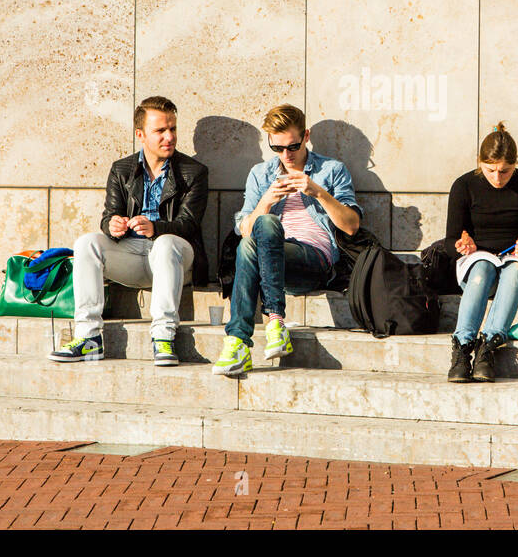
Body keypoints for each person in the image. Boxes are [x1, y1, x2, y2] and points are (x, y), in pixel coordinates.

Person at [50, 96, 210, 365]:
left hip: (177, 257)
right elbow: (108, 215)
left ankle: (163, 337)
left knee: (166, 243)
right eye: (160, 130)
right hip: (132, 256)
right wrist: (112, 226)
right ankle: (89, 338)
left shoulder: (194, 172)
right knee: (87, 243)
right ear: (141, 134)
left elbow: (189, 224)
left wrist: (156, 227)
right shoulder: (122, 169)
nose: (169, 137)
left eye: (172, 129)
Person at [212, 104, 362, 377]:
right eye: (277, 148)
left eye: (292, 147)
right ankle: (260, 332)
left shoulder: (331, 170)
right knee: (256, 233)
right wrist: (266, 201)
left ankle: (240, 340)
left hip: (314, 260)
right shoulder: (261, 174)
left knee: (254, 241)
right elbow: (245, 229)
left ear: (306, 136)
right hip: (273, 264)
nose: (286, 155)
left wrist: (318, 192)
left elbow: (351, 226)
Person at [446, 123, 518, 383]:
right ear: (480, 163)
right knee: (481, 269)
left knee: (513, 270)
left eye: (505, 171)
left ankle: (489, 346)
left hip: (517, 265)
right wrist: (462, 244)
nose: (497, 178)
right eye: (490, 170)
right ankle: (462, 345)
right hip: (480, 264)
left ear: (515, 165)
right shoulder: (464, 185)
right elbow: (449, 241)